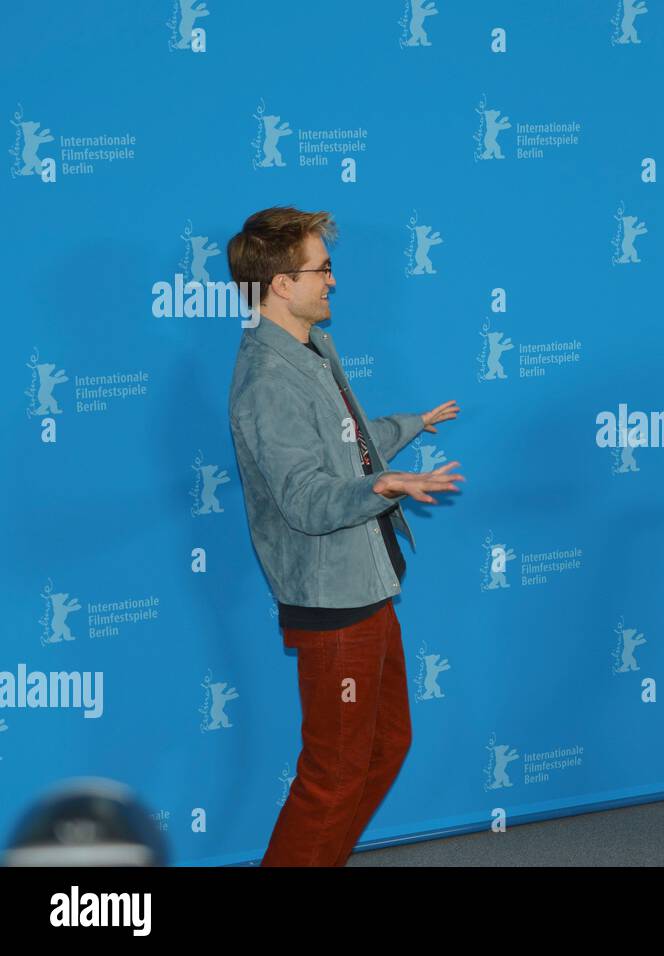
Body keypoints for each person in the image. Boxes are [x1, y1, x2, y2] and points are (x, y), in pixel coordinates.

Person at [226, 206, 466, 867]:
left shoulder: (312, 348)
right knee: (333, 774)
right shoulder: (267, 381)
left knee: (385, 746)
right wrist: (384, 488)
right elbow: (305, 499)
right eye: (321, 268)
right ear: (280, 282)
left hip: (368, 584)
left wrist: (410, 424)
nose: (332, 280)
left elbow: (348, 445)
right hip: (333, 606)